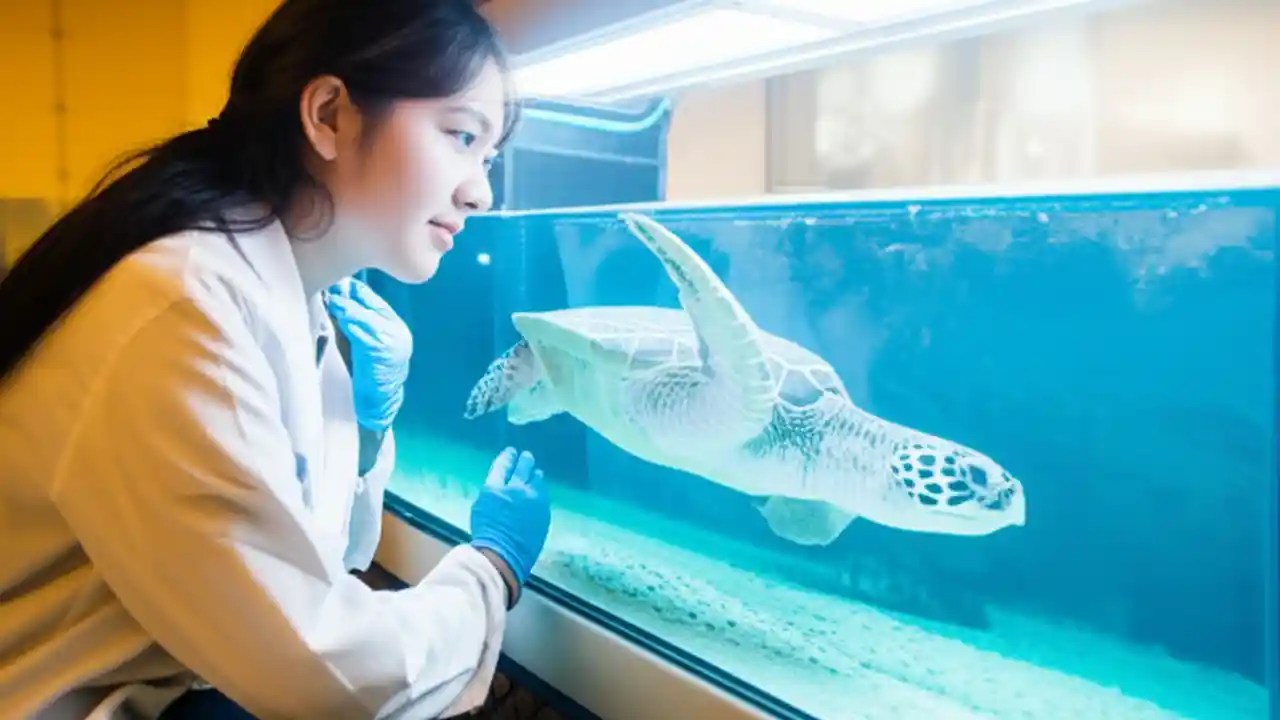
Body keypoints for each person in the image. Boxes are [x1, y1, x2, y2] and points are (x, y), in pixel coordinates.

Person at [0, 1, 552, 718]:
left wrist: (364, 436)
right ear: (328, 115)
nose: (479, 190)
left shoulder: (290, 300)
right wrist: (490, 571)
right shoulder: (183, 302)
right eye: (460, 135)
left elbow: (312, 563)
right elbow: (318, 668)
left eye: (488, 157)